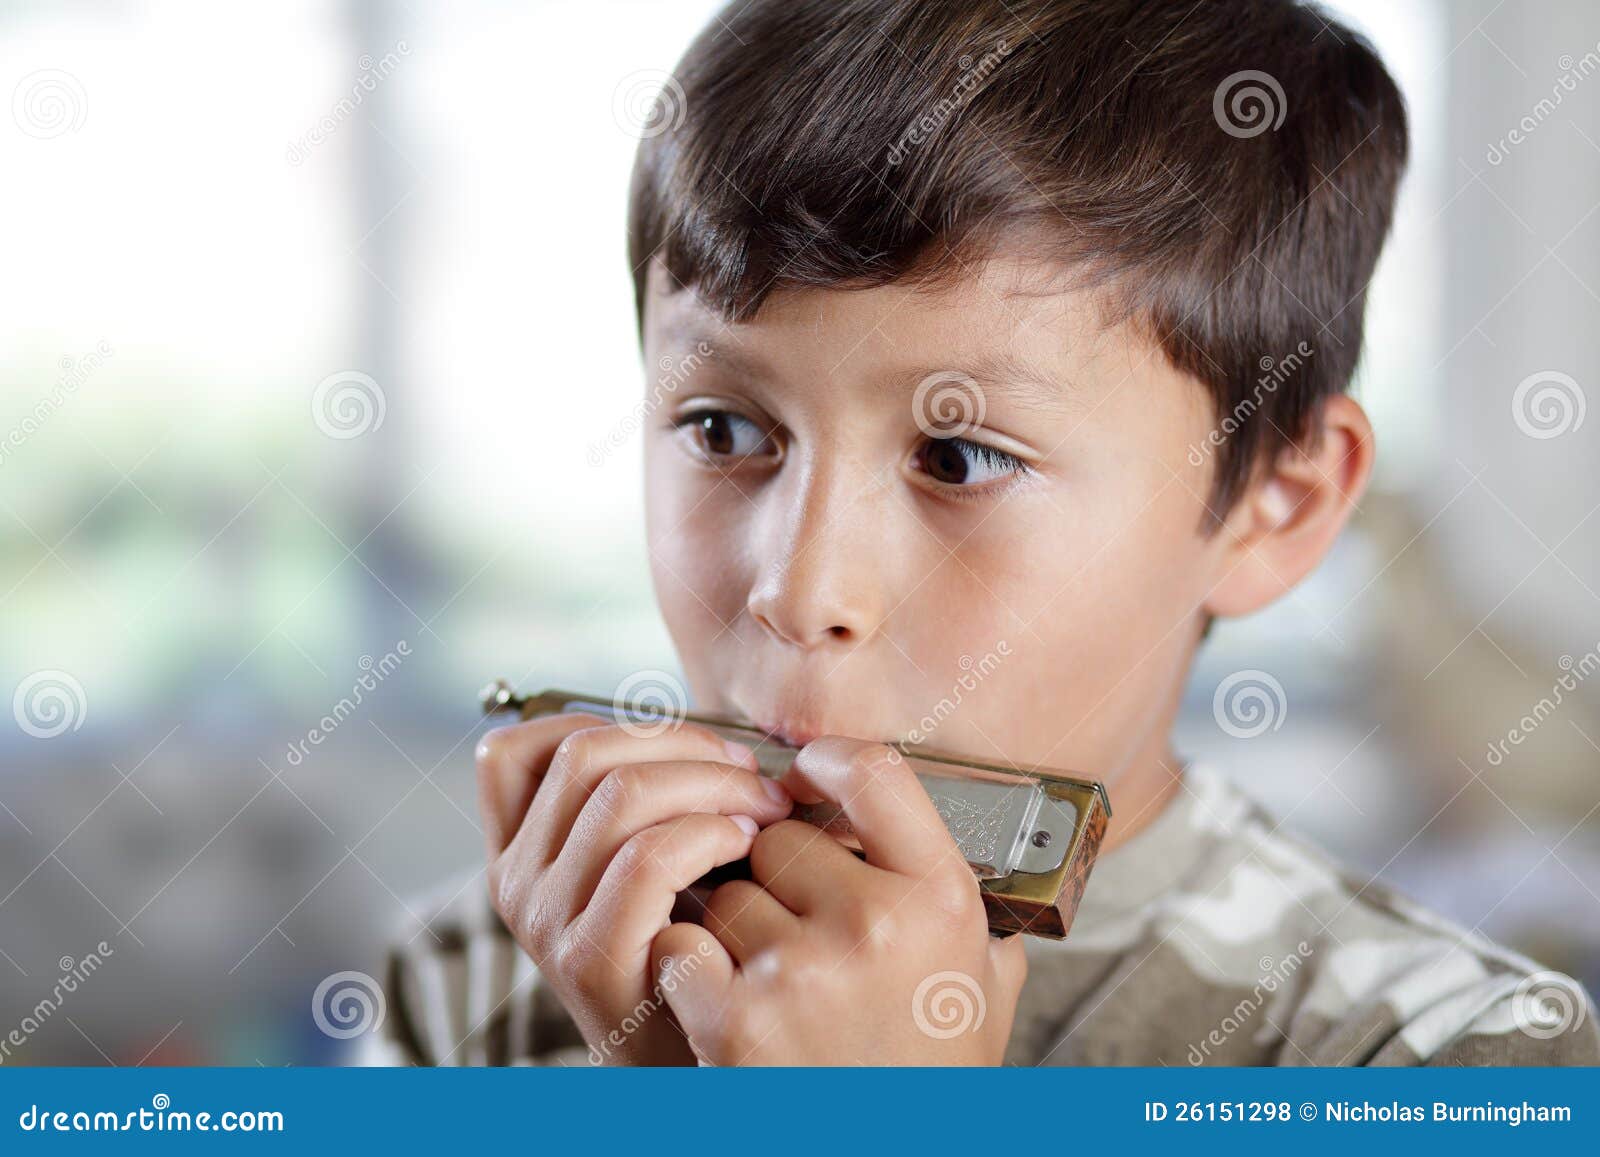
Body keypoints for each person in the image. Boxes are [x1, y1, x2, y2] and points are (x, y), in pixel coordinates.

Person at [371, 0, 1600, 1066]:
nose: (799, 590)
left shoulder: (1451, 1051)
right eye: (724, 430)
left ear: (1272, 507)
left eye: (958, 457)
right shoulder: (478, 978)